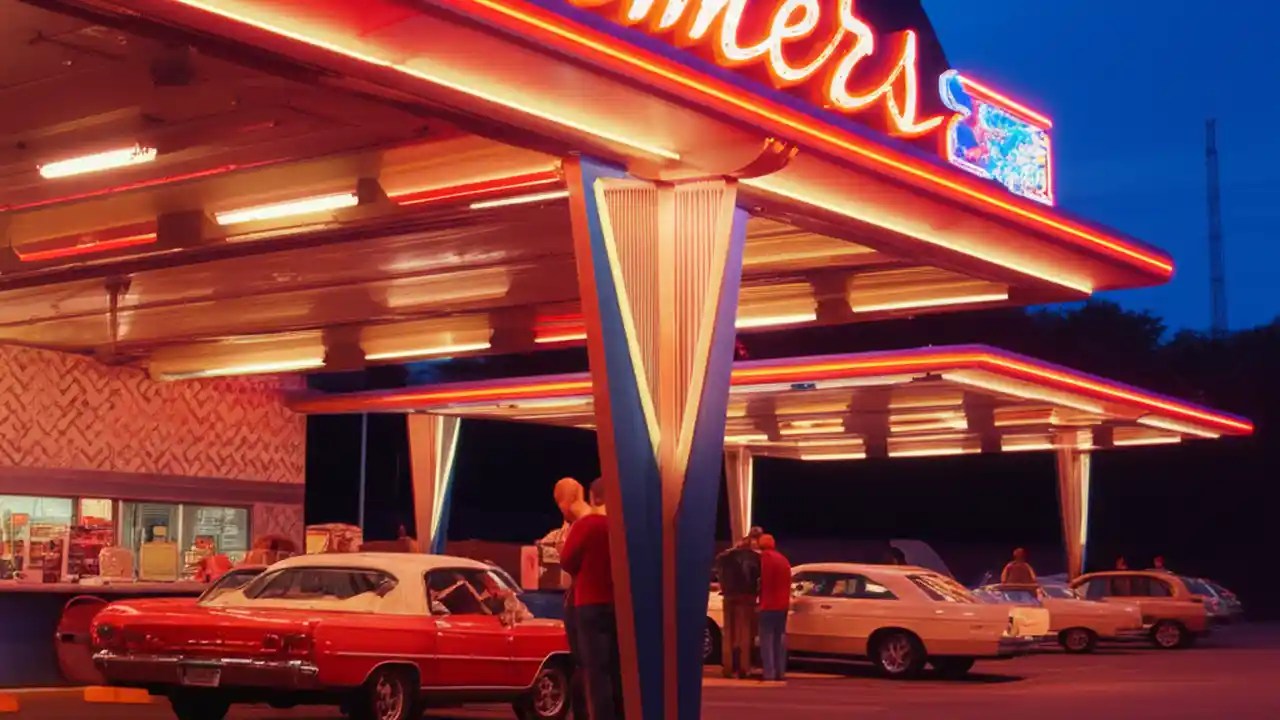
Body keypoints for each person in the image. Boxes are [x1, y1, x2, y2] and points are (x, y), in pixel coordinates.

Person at [562, 480, 622, 720]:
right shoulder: (621, 527)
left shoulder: (586, 525)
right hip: (619, 605)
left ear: (593, 497)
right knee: (616, 668)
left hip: (589, 605)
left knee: (595, 671)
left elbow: (567, 561)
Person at [552, 478, 592, 719]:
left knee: (583, 663)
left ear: (569, 499)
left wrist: (560, 552)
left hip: (583, 600)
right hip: (585, 599)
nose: (560, 509)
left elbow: (567, 561)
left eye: (560, 503)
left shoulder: (583, 524)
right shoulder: (578, 524)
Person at [714, 531, 762, 679]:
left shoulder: (724, 557)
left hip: (728, 596)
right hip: (747, 598)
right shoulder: (756, 558)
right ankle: (743, 667)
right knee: (745, 634)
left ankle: (727, 667)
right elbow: (758, 578)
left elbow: (718, 571)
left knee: (728, 633)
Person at [756, 534, 791, 683]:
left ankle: (769, 672)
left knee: (767, 639)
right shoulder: (783, 559)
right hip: (782, 605)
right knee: (779, 638)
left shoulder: (764, 559)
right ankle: (780, 671)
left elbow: (763, 581)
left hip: (768, 604)